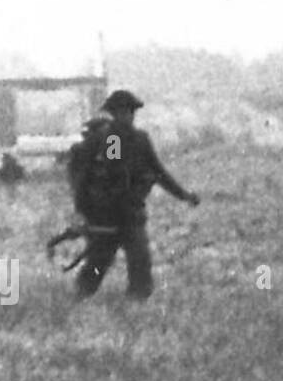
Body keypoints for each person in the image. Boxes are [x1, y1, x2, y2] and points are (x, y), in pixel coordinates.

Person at [67, 90, 199, 299]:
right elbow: (102, 174)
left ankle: (136, 305)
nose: (127, 117)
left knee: (140, 261)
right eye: (121, 112)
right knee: (98, 263)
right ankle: (78, 298)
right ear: (114, 113)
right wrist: (81, 211)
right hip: (108, 215)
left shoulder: (140, 139)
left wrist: (183, 195)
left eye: (129, 112)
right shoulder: (110, 139)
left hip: (130, 213)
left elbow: (159, 172)